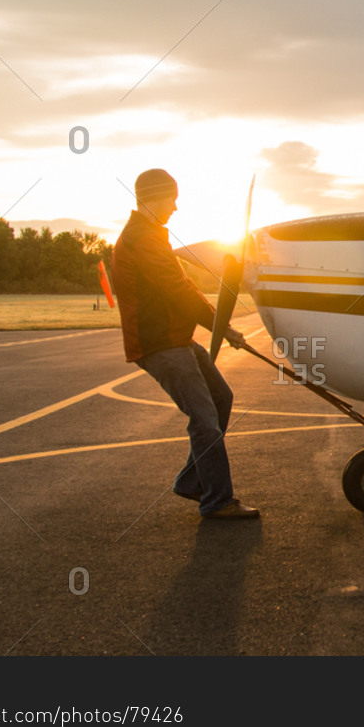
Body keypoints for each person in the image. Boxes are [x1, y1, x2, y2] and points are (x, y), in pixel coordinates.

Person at [112, 168, 259, 520]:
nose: (176, 207)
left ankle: (193, 482)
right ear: (155, 197)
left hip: (175, 339)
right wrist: (220, 327)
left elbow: (181, 288)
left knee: (221, 397)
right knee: (205, 418)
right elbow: (177, 290)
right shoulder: (141, 239)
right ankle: (217, 501)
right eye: (172, 199)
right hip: (159, 344)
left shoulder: (151, 236)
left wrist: (221, 326)